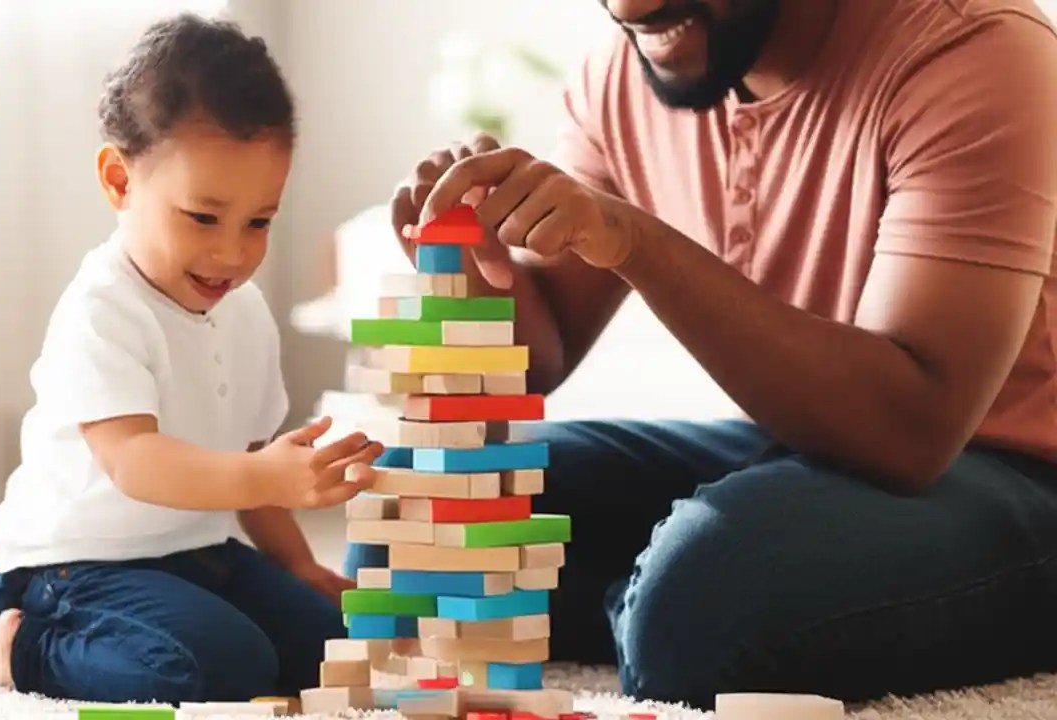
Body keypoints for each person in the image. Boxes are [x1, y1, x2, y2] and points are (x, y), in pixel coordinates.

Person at [349, 0, 1057, 710]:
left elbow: (912, 432)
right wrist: (475, 266)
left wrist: (633, 240)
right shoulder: (628, 72)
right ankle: (659, 600)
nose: (630, 7)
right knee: (411, 514)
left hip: (1007, 467)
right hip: (801, 444)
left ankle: (663, 602)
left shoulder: (972, 46)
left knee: (696, 609)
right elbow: (539, 358)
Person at [0, 14, 383, 705]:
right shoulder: (104, 308)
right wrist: (264, 474)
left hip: (196, 554)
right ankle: (28, 649)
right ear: (118, 180)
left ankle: (234, 614)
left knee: (334, 655)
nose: (232, 253)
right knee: (218, 670)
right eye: (202, 217)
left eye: (259, 222)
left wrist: (296, 564)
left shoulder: (243, 309)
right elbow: (135, 460)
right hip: (73, 568)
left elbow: (251, 451)